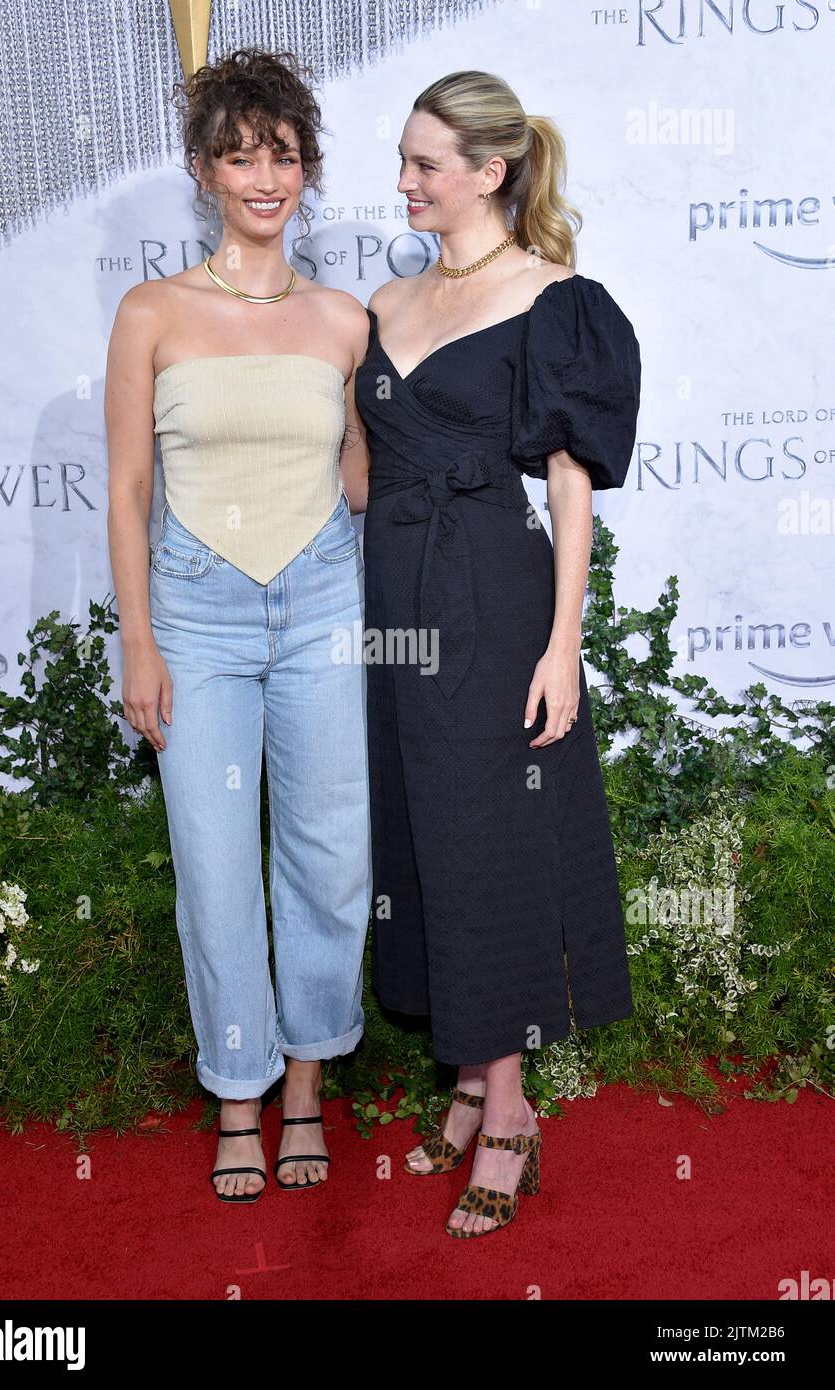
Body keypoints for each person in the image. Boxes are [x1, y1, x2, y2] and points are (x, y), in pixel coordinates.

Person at [354, 70, 641, 1239]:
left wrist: (562, 644)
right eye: (406, 159)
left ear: (491, 173)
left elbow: (569, 490)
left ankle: (511, 1106)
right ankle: (470, 1073)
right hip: (391, 592)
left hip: (494, 589)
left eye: (428, 164)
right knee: (413, 828)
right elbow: (356, 473)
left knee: (486, 835)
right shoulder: (379, 298)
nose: (407, 181)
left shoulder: (554, 299)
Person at [104, 48, 372, 1203]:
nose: (264, 175)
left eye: (283, 152)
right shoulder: (152, 310)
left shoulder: (343, 317)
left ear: (306, 167)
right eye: (238, 153)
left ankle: (307, 1081)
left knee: (328, 857)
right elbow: (125, 489)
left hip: (322, 603)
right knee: (215, 869)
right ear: (205, 170)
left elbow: (358, 472)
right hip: (197, 618)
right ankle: (236, 1088)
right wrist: (141, 640)